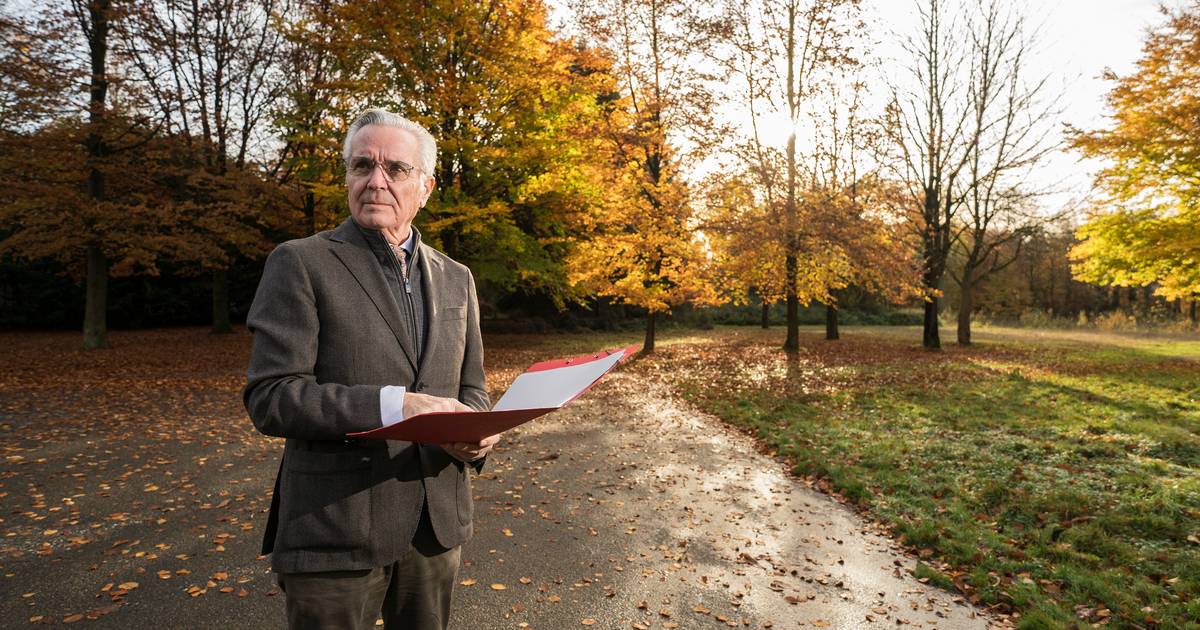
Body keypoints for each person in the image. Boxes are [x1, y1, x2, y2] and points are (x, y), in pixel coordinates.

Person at [243, 108, 499, 630]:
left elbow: (472, 388)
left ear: (425, 187)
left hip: (434, 524)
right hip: (335, 528)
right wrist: (395, 405)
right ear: (347, 178)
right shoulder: (300, 262)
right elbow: (272, 396)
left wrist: (475, 433)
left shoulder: (458, 278)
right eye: (362, 166)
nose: (376, 181)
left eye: (396, 170)